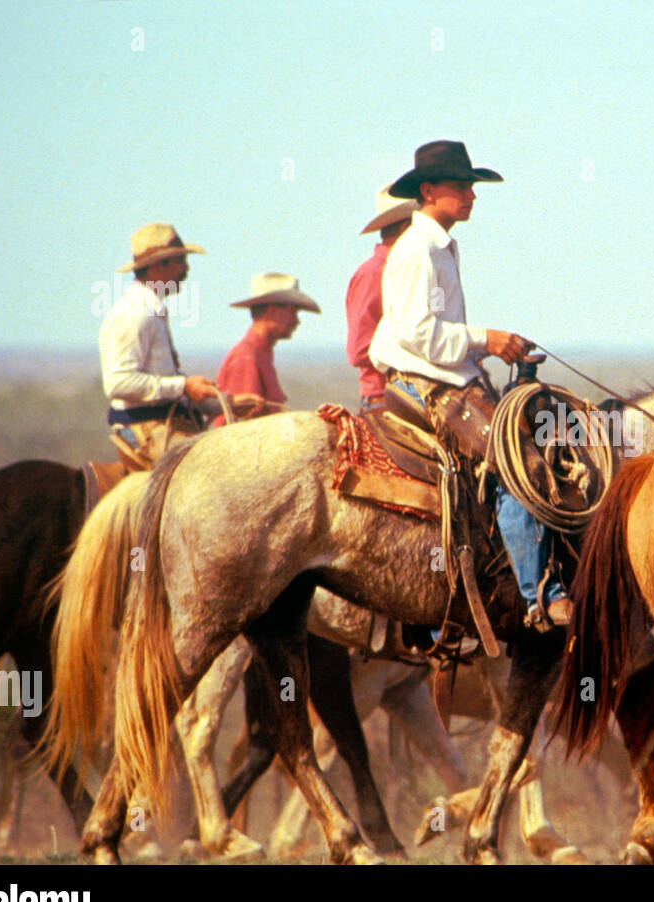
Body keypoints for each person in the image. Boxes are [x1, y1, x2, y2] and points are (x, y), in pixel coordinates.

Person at [369, 140, 571, 630]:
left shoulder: (437, 244)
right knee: (519, 466)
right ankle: (538, 594)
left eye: (471, 188)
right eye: (462, 187)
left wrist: (491, 347)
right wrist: (486, 339)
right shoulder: (419, 250)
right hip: (430, 384)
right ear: (429, 189)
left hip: (447, 376)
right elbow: (417, 333)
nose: (471, 196)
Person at [99, 222, 219, 468]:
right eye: (180, 261)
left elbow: (161, 380)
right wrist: (183, 386)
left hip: (161, 425)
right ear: (156, 267)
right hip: (145, 432)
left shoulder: (151, 310)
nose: (186, 269)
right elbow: (118, 383)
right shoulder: (135, 314)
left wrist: (226, 402)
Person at [213, 272, 319, 426]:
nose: (296, 321)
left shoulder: (259, 353)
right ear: (272, 310)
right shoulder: (246, 356)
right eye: (293, 312)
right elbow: (243, 427)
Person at [348, 186, 418, 413]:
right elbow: (359, 349)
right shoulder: (372, 274)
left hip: (405, 394)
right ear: (407, 228)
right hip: (385, 398)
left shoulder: (402, 270)